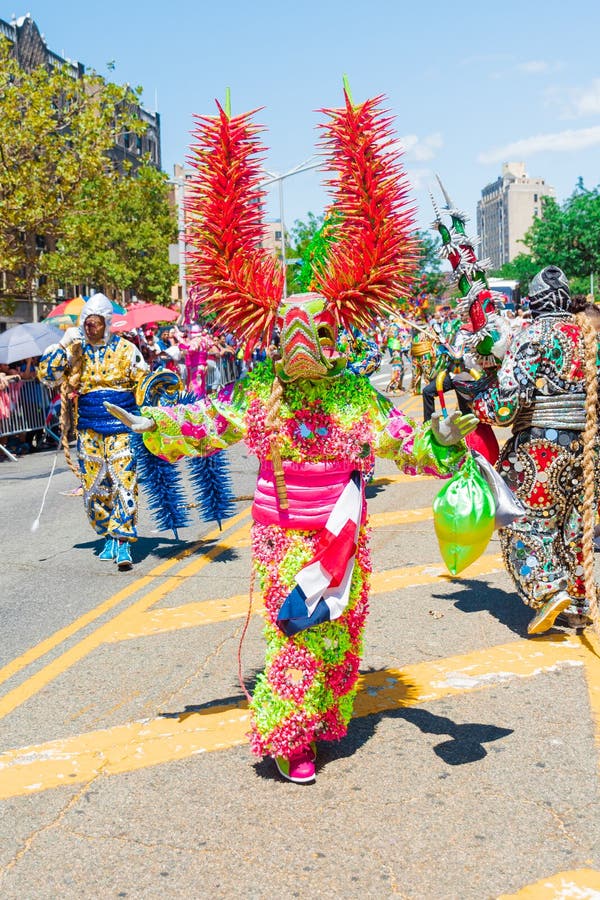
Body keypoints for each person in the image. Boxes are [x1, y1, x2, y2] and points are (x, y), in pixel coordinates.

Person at [106, 92, 478, 784]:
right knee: (305, 634)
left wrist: (446, 434)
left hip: (346, 534)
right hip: (286, 538)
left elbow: (406, 445)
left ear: (337, 339)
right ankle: (287, 736)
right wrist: (155, 423)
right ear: (274, 339)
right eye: (290, 333)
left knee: (342, 638)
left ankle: (325, 719)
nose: (304, 343)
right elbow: (208, 423)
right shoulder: (260, 392)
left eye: (320, 333)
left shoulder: (355, 395)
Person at [470, 267, 600, 633]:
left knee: (523, 521)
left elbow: (505, 407)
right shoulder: (589, 336)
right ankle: (579, 599)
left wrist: (478, 394)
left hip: (540, 449)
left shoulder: (532, 336)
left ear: (534, 303)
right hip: (589, 450)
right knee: (576, 527)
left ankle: (547, 590)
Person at [37, 293, 150, 570]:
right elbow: (46, 375)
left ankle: (124, 541)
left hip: (121, 427)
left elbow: (145, 383)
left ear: (107, 323)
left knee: (124, 480)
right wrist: (63, 343)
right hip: (88, 429)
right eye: (87, 323)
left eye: (95, 323)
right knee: (95, 485)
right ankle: (108, 533)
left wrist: (148, 417)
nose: (90, 328)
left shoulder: (126, 350)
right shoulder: (76, 352)